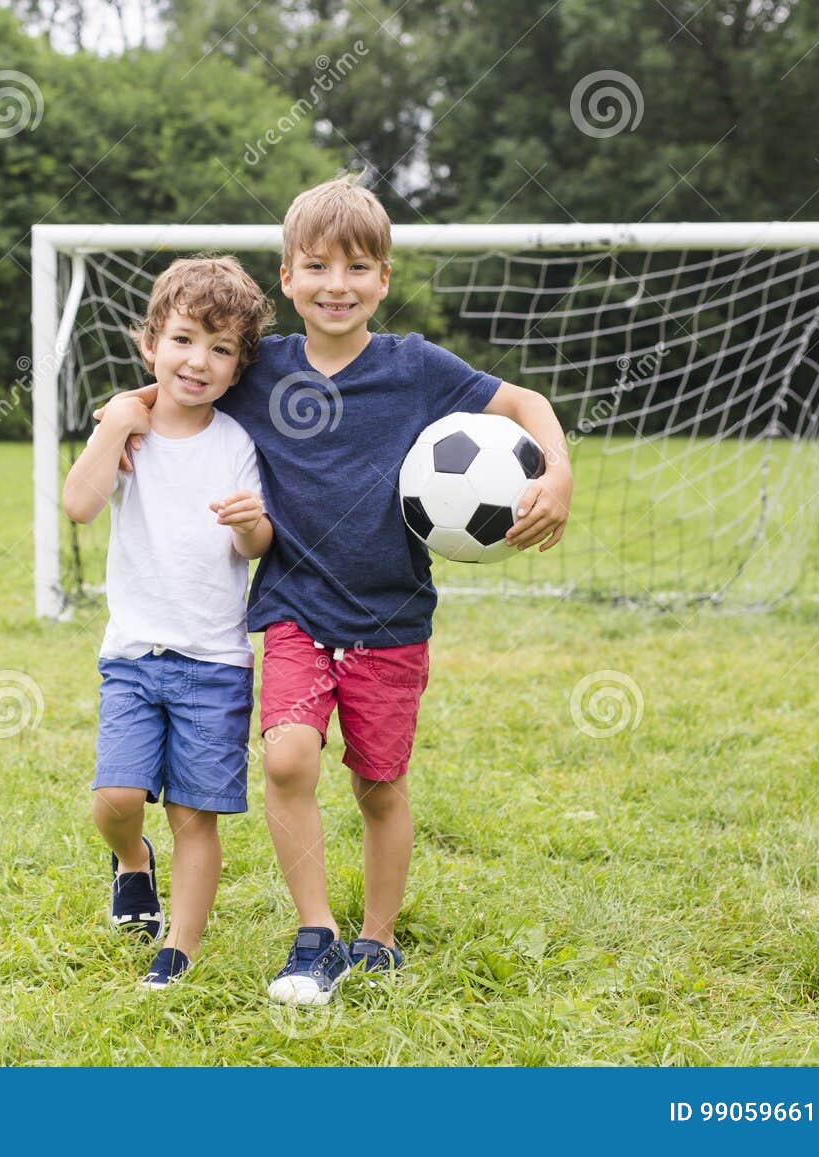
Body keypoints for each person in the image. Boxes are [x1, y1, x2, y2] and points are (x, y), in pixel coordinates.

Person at [100, 177, 574, 1005]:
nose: (336, 284)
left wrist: (558, 473)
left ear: (383, 278)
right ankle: (313, 929)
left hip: (390, 619)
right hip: (293, 610)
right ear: (286, 277)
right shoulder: (261, 369)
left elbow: (526, 402)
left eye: (357, 267)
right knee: (287, 758)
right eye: (316, 265)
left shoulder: (416, 368)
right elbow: (180, 381)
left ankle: (377, 936)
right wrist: (123, 410)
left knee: (378, 784)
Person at [62, 255, 276, 989]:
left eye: (221, 349)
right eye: (183, 339)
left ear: (240, 364)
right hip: (132, 653)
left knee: (194, 814)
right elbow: (79, 505)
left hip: (215, 661)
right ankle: (130, 861)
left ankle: (176, 950)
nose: (198, 361)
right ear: (150, 340)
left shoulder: (237, 443)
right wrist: (117, 420)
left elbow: (256, 544)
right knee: (115, 799)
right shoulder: (132, 428)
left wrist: (253, 526)